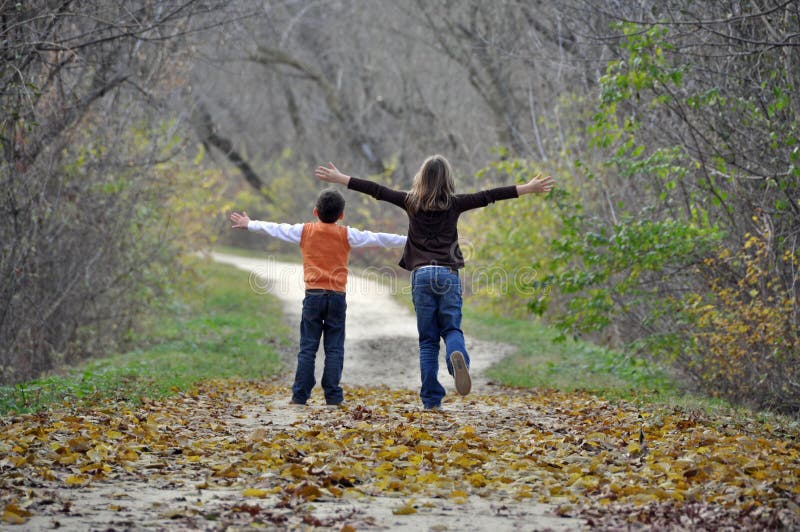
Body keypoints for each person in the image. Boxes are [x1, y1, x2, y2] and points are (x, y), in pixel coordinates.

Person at [315, 155, 554, 410]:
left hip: (421, 275)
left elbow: (377, 190)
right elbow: (489, 195)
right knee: (451, 329)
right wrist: (528, 188)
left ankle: (431, 400)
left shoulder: (410, 201)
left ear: (421, 177)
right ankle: (457, 358)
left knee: (428, 341)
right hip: (447, 274)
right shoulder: (455, 203)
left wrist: (341, 179)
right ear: (447, 180)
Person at [230, 188, 406, 406]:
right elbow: (379, 238)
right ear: (341, 215)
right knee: (334, 348)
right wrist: (410, 240)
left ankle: (300, 395)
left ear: (315, 211)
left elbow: (277, 229)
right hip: (337, 298)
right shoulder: (347, 234)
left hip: (313, 297)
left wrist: (251, 223)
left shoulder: (304, 231)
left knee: (308, 347)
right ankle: (333, 396)